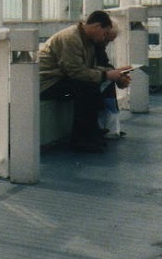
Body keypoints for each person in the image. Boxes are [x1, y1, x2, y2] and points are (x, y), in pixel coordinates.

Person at [38, 10, 132, 152]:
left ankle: (92, 132)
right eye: (105, 33)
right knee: (86, 88)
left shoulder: (86, 40)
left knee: (91, 85)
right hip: (47, 83)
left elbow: (88, 69)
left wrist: (115, 73)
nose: (104, 39)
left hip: (60, 78)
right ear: (97, 26)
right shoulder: (71, 38)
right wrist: (107, 74)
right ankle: (82, 139)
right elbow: (76, 72)